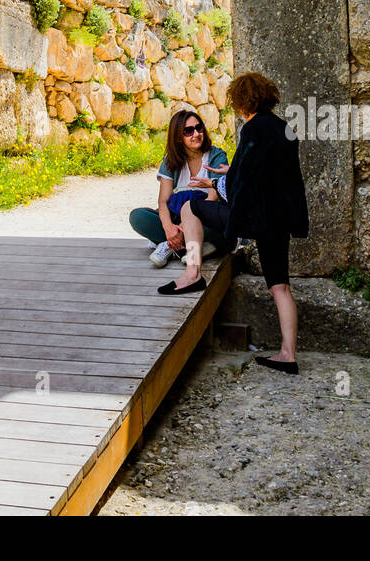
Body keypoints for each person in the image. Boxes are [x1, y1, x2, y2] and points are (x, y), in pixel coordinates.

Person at [223, 71, 309, 374]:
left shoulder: (253, 129)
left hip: (266, 218)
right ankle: (287, 352)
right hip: (283, 217)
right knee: (281, 284)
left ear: (241, 101)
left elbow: (244, 178)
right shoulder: (285, 128)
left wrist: (232, 227)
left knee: (278, 287)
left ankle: (288, 355)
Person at [129, 110, 230, 276]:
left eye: (199, 128)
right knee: (138, 217)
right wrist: (169, 228)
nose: (196, 134)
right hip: (176, 218)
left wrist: (185, 228)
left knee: (227, 227)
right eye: (188, 131)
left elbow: (213, 197)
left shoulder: (216, 156)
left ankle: (171, 245)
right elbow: (163, 201)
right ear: (178, 137)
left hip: (206, 219)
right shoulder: (171, 160)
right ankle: (194, 246)